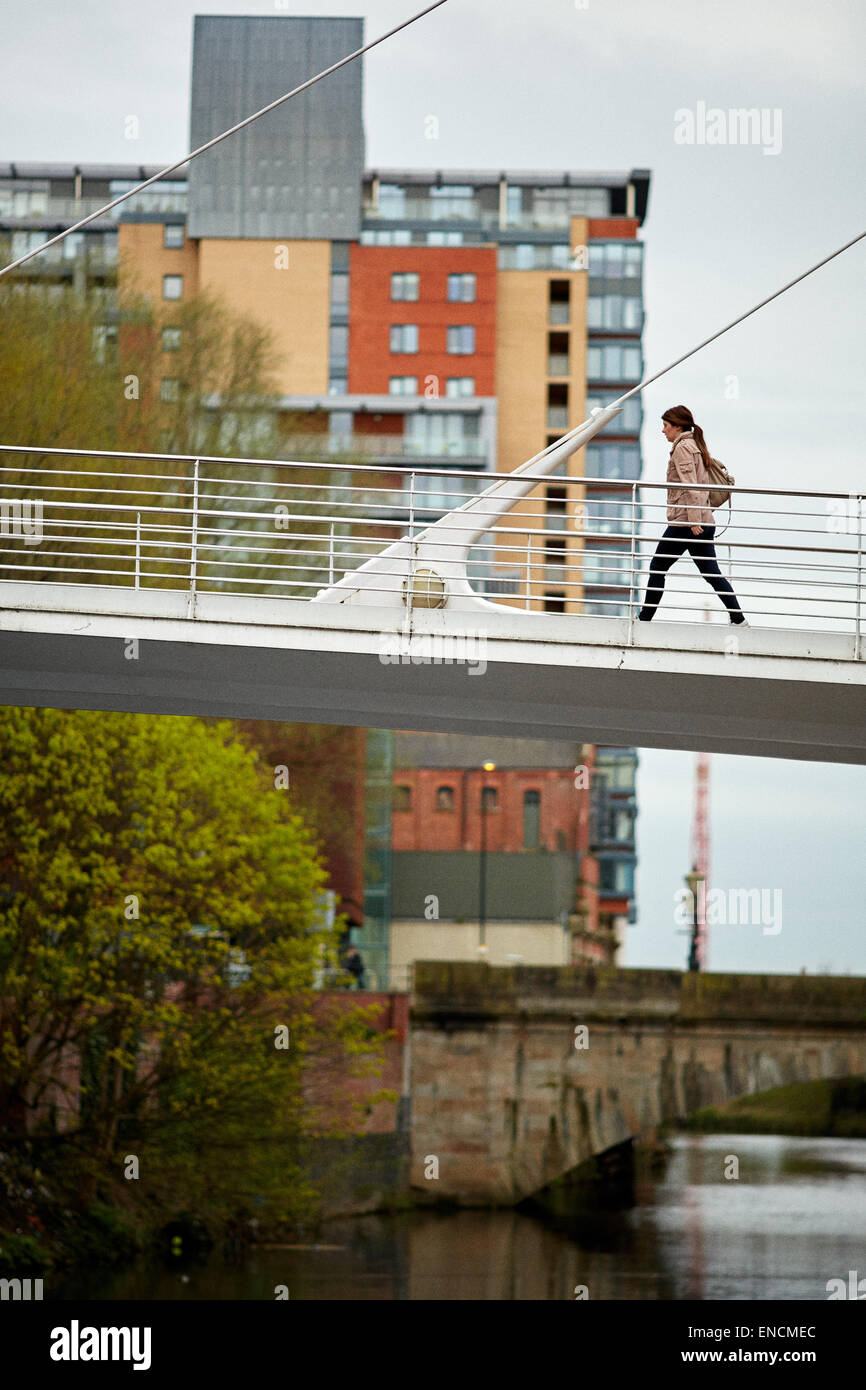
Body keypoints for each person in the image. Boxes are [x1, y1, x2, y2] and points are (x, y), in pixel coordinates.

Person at [637, 405, 747, 624]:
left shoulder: (683, 448)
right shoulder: (694, 444)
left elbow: (691, 486)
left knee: (657, 567)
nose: (663, 431)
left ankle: (644, 620)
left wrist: (694, 521)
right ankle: (739, 619)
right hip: (700, 521)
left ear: (677, 426)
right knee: (711, 574)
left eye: (666, 426)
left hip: (686, 523)